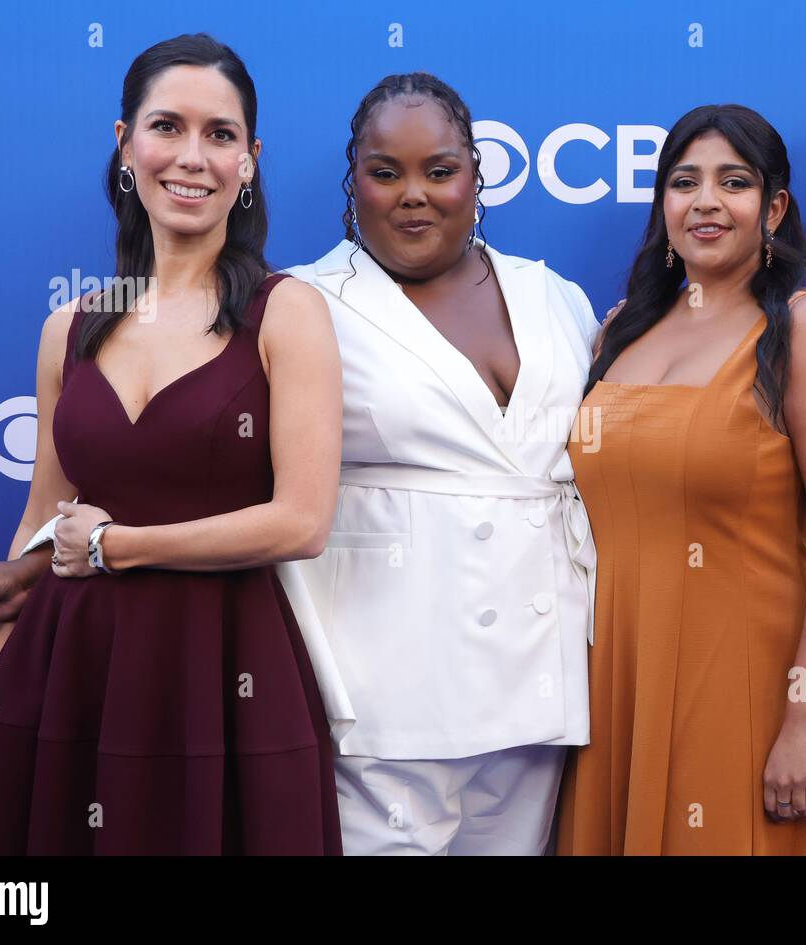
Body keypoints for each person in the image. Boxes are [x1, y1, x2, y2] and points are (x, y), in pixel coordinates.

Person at [0, 33, 344, 855]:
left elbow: (301, 522)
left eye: (221, 135)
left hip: (224, 674)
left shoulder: (287, 312)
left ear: (250, 162)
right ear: (125, 145)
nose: (193, 157)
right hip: (70, 671)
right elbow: (43, 525)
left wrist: (118, 546)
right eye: (167, 127)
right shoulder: (68, 327)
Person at [279, 73, 600, 855]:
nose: (412, 194)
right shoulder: (302, 302)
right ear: (353, 182)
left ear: (477, 174)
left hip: (539, 684)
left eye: (439, 170)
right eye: (385, 172)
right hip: (386, 687)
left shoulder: (554, 295)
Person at [555, 104, 806, 855]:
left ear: (772, 209)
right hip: (616, 682)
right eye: (683, 182)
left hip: (746, 683)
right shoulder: (620, 332)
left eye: (732, 182)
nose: (704, 201)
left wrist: (804, 717)